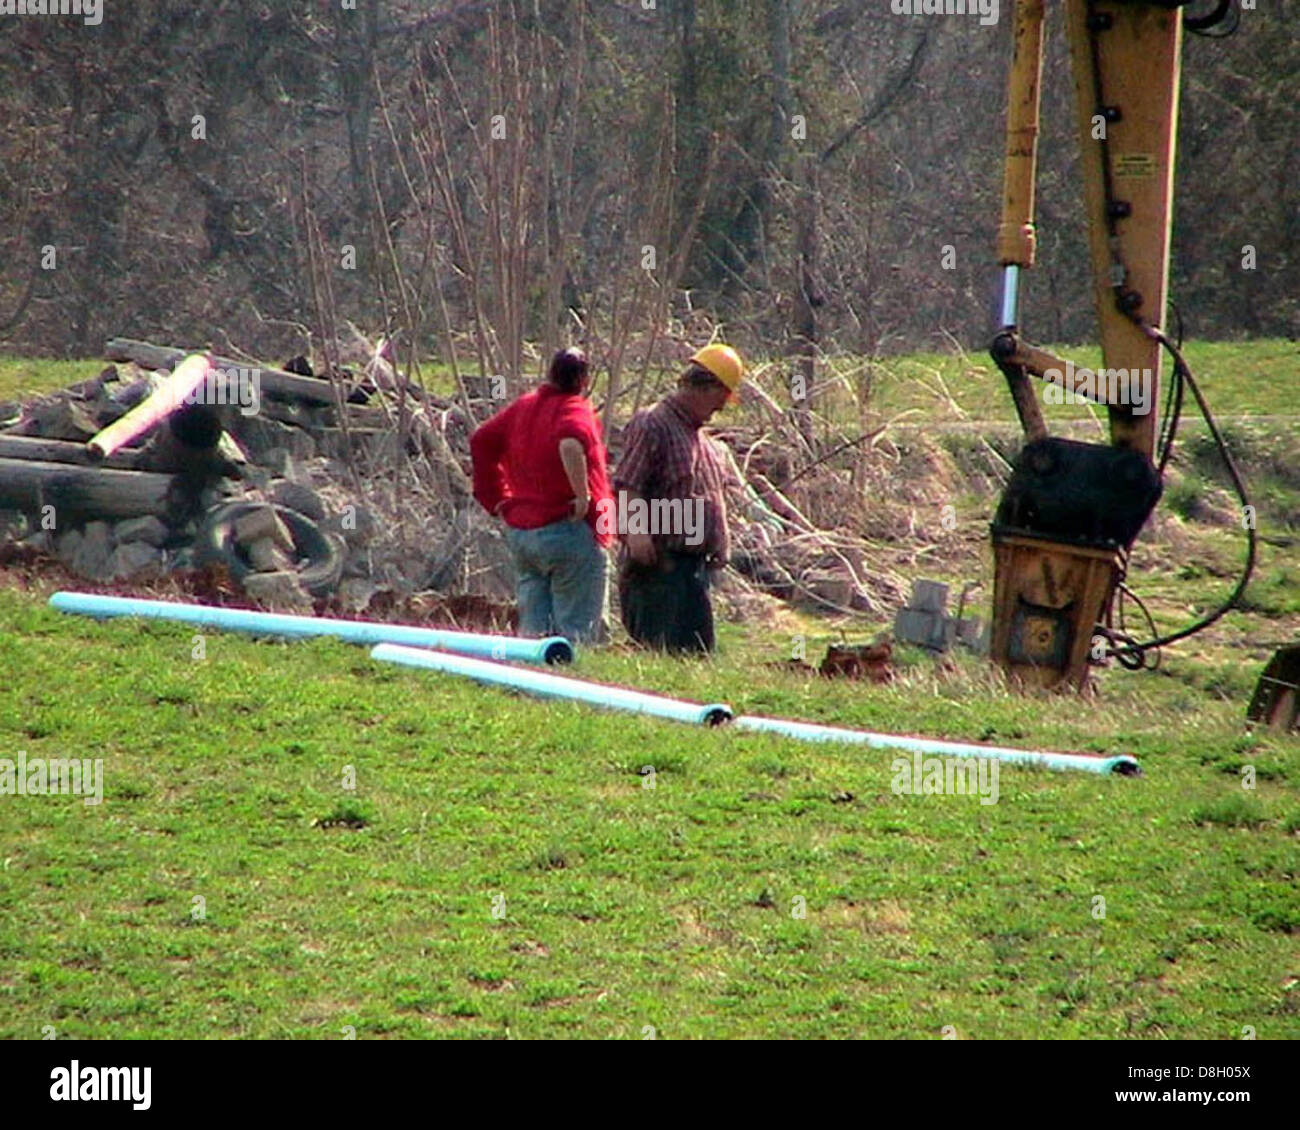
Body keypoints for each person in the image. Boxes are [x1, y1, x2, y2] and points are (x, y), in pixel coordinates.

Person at [470, 347, 613, 643]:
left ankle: (530, 680)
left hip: (523, 533)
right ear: (584, 379)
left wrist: (495, 497)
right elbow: (570, 443)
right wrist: (582, 496)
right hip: (568, 530)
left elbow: (481, 439)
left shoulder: (523, 406)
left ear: (550, 373)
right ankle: (573, 684)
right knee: (576, 632)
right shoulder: (575, 408)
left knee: (534, 633)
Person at [612, 343, 744, 653]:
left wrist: (721, 538)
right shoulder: (652, 423)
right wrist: (635, 531)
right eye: (721, 396)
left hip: (693, 570)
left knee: (695, 656)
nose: (722, 407)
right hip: (659, 567)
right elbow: (628, 483)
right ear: (703, 386)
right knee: (659, 655)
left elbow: (712, 494)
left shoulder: (703, 440)